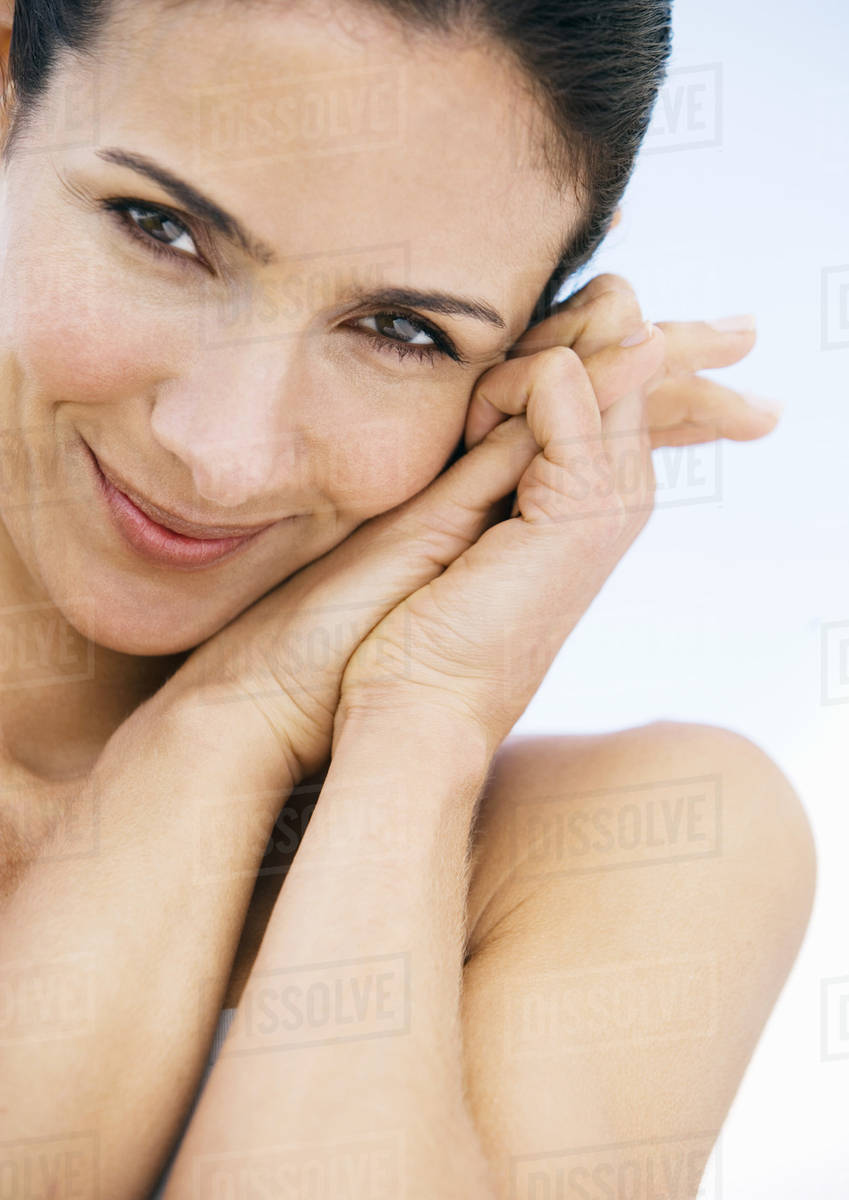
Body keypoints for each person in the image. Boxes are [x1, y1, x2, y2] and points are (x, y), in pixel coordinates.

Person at [0, 1, 815, 1197]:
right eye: (161, 228)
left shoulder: (611, 852)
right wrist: (228, 714)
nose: (222, 451)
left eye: (401, 329)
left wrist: (395, 722)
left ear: (533, 336)